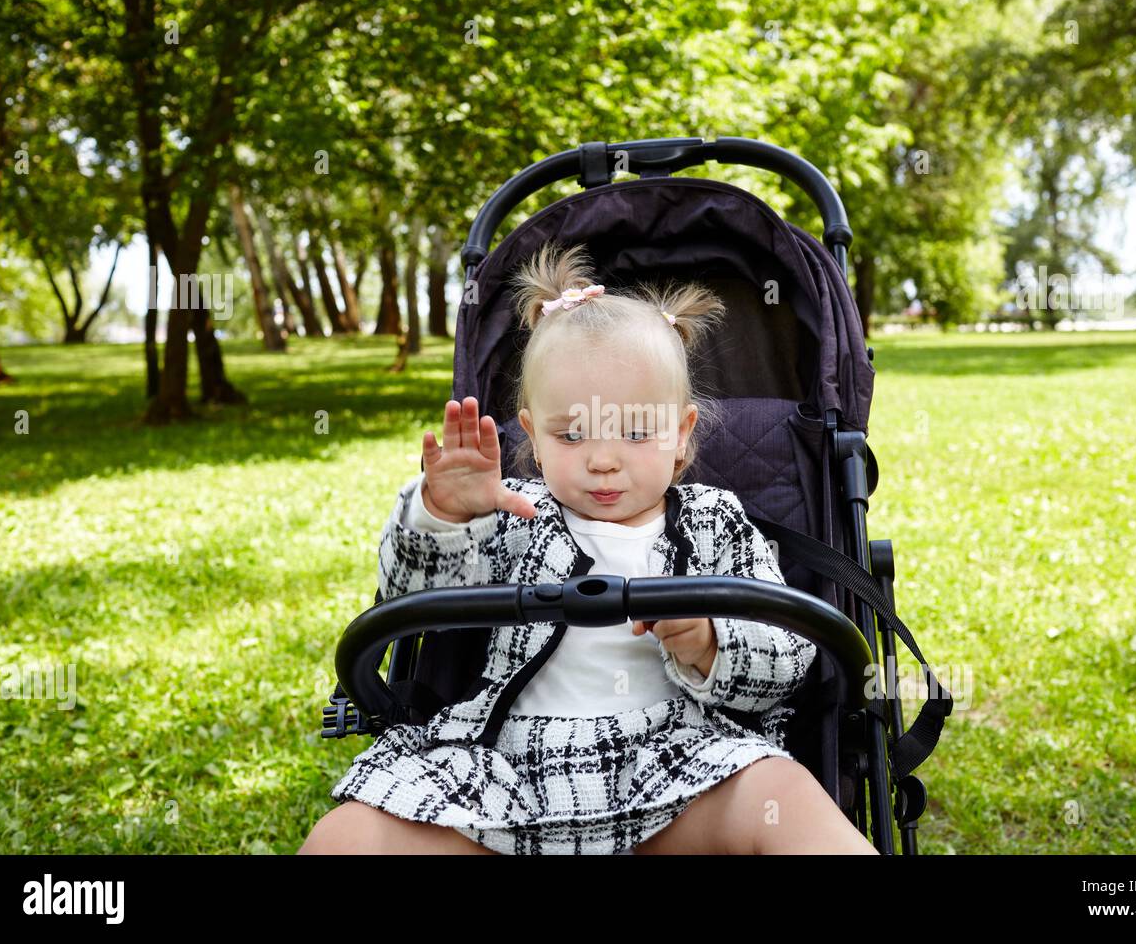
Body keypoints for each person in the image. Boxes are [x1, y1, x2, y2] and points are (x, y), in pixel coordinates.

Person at [299, 241, 879, 855]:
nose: (603, 459)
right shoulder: (513, 515)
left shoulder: (716, 522)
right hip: (505, 775)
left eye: (634, 432)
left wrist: (714, 641)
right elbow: (415, 600)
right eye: (571, 434)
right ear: (532, 436)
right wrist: (443, 516)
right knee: (348, 837)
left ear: (681, 435)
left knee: (781, 794)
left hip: (677, 767)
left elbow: (788, 655)